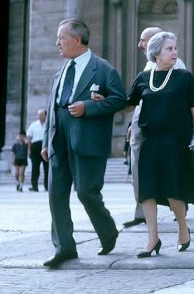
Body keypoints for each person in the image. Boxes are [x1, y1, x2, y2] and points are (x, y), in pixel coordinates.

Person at [42, 19, 126, 268]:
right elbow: (52, 109)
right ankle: (64, 248)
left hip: (87, 139)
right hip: (59, 139)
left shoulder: (102, 69)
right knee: (56, 195)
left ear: (76, 39)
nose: (57, 43)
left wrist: (89, 107)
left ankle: (108, 232)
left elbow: (120, 99)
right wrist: (47, 141)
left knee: (86, 193)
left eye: (61, 38)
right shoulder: (61, 71)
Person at [126, 31, 194, 257]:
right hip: (149, 141)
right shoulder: (143, 78)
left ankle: (183, 228)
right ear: (156, 54)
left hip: (175, 142)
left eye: (175, 48)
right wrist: (103, 103)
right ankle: (152, 239)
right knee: (147, 191)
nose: (175, 52)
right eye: (169, 49)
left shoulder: (183, 77)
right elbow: (129, 104)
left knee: (173, 191)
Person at [124, 26, 187, 229]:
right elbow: (138, 100)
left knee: (170, 169)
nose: (139, 44)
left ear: (154, 42)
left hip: (165, 130)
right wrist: (132, 124)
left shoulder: (176, 66)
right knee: (139, 168)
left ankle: (179, 210)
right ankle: (142, 212)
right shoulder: (147, 67)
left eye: (143, 40)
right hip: (143, 127)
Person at [26, 109, 48, 191]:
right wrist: (29, 150)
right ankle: (34, 186)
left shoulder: (48, 124)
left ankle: (47, 186)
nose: (39, 116)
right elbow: (29, 138)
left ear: (45, 115)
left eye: (41, 114)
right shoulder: (33, 124)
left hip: (45, 147)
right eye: (38, 114)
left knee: (47, 168)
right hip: (35, 147)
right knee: (35, 168)